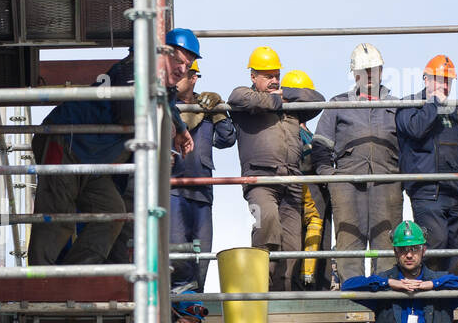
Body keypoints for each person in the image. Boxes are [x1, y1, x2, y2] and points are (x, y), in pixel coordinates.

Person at [28, 42, 193, 265]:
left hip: (95, 160)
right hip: (66, 141)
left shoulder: (162, 87)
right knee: (57, 215)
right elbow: (129, 113)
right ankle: (40, 285)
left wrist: (180, 128)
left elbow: (168, 105)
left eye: (189, 64)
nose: (183, 69)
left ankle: (75, 277)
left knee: (112, 213)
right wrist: (163, 128)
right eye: (179, 61)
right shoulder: (135, 69)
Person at [228, 47, 322, 290]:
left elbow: (317, 99)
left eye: (276, 75)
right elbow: (237, 98)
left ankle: (283, 295)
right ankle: (259, 286)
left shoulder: (289, 100)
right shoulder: (245, 100)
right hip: (260, 181)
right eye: (268, 75)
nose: (273, 80)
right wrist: (278, 100)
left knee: (291, 243)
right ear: (253, 76)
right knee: (266, 221)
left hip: (291, 181)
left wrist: (285, 93)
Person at [312, 43, 400, 279]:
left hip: (388, 181)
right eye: (363, 71)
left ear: (382, 71)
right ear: (354, 74)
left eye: (373, 70)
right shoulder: (338, 105)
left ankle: (386, 297)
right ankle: (353, 298)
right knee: (349, 242)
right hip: (347, 183)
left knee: (387, 243)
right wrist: (331, 179)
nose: (369, 76)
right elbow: (320, 145)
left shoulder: (397, 106)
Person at [169, 50, 235, 292]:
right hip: (173, 188)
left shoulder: (206, 107)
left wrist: (219, 111)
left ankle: (194, 303)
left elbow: (227, 140)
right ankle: (177, 299)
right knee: (177, 249)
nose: (176, 78)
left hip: (203, 192)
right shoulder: (166, 107)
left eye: (183, 74)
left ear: (194, 77)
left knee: (202, 253)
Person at [397, 54, 458, 275]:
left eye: (448, 81)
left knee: (457, 250)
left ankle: (449, 301)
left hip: (455, 192)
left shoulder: (456, 110)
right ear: (426, 79)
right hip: (427, 192)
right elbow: (416, 129)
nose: (444, 85)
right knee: (434, 247)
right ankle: (431, 300)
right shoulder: (410, 105)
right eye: (439, 79)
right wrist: (434, 103)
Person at [284, 70, 331, 288]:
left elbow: (317, 100)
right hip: (296, 189)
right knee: (296, 243)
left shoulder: (309, 133)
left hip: (318, 192)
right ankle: (298, 287)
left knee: (319, 244)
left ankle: (318, 287)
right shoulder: (284, 128)